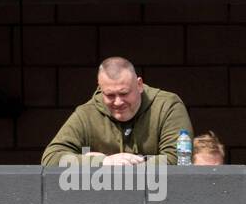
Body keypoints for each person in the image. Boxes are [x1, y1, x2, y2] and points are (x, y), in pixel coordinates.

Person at [41, 56, 192, 166]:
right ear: (100, 88)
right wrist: (102, 161)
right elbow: (50, 159)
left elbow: (178, 160)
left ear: (139, 85)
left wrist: (127, 162)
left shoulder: (168, 106)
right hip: (103, 200)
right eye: (110, 95)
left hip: (159, 198)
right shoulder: (86, 114)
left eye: (124, 93)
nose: (118, 102)